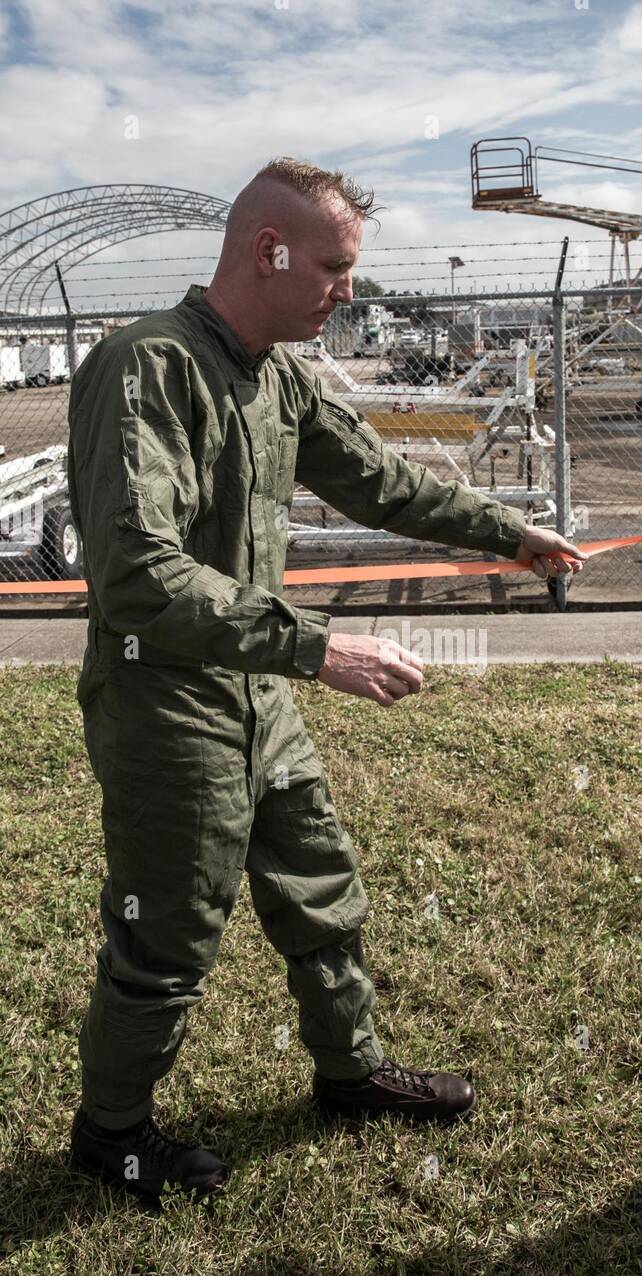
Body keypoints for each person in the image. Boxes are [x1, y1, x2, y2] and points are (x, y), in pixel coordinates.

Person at [66, 157, 583, 1206]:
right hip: (167, 697)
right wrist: (319, 648)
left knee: (322, 891)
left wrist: (507, 535)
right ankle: (110, 1131)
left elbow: (377, 479)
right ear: (270, 251)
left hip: (257, 696)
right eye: (336, 269)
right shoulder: (145, 368)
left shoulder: (279, 374)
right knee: (166, 936)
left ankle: (348, 1073)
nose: (348, 291)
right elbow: (134, 575)